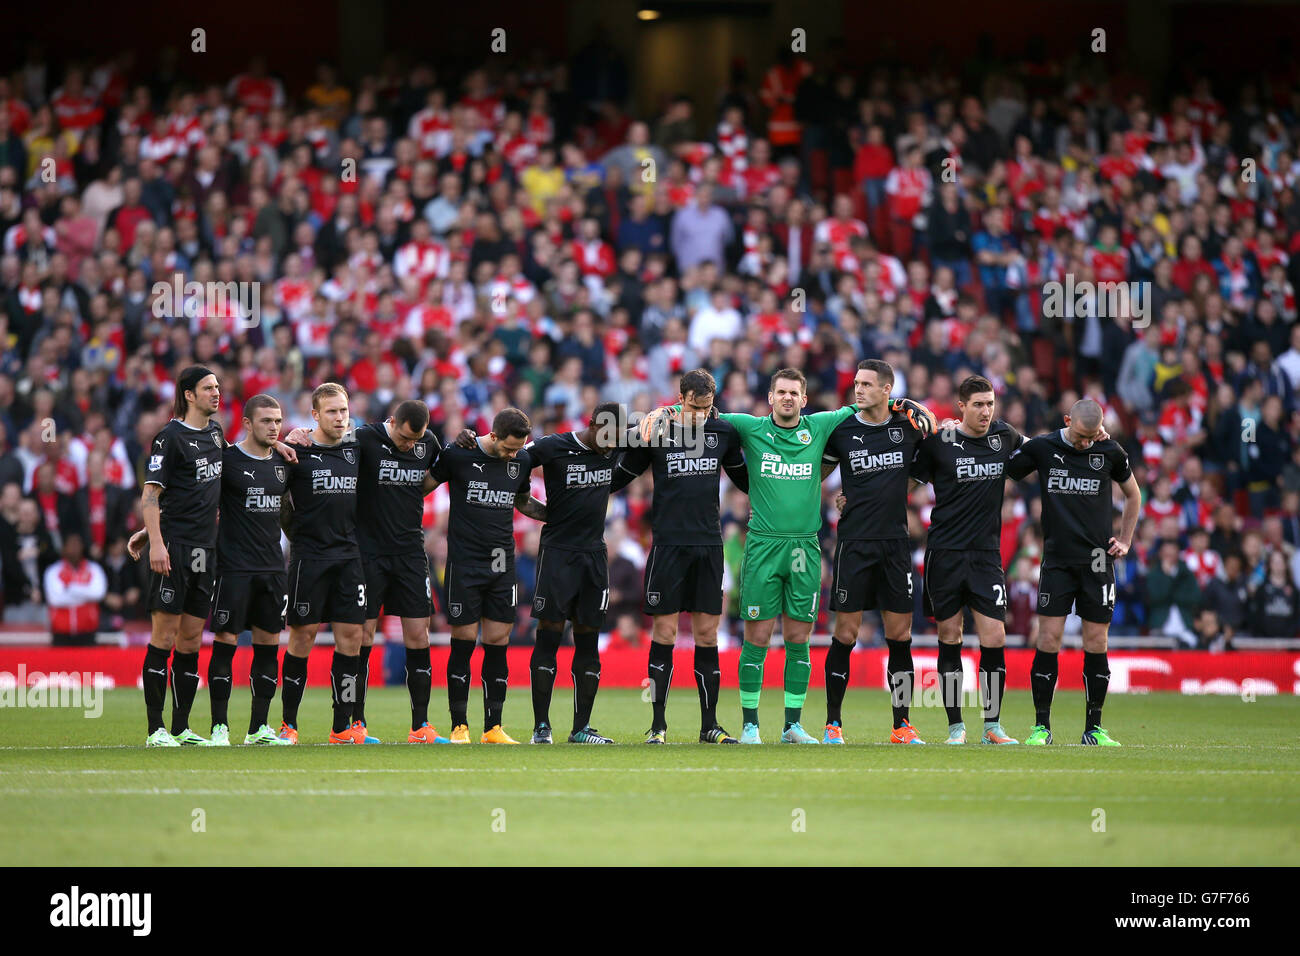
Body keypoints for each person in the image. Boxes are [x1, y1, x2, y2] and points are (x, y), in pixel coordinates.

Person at [641, 368, 934, 744]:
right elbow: (703, 411)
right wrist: (666, 411)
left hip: (805, 547)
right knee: (757, 637)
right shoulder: (747, 427)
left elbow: (869, 404)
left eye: (794, 392)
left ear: (805, 399)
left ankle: (792, 725)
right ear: (769, 397)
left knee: (799, 637)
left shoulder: (824, 424)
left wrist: (900, 402)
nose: (787, 398)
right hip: (763, 545)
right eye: (781, 392)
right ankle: (750, 725)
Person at [286, 398, 448, 743]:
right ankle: (355, 721)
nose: (408, 446)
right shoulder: (364, 439)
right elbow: (325, 442)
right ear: (392, 421)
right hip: (366, 553)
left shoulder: (428, 443)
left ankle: (421, 725)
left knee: (419, 635)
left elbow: (428, 480)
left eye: (414, 442)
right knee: (362, 636)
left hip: (409, 552)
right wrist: (300, 433)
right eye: (404, 439)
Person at [609, 369, 749, 744]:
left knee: (707, 635)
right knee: (665, 633)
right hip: (668, 545)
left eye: (707, 407)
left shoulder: (723, 432)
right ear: (681, 396)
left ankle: (710, 726)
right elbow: (619, 472)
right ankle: (658, 726)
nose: (702, 414)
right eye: (694, 406)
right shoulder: (656, 429)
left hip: (708, 545)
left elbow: (746, 479)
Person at [1005, 399, 1142, 746]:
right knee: (1048, 639)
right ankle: (1041, 728)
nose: (1086, 443)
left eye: (1092, 436)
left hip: (1098, 560)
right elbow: (1007, 469)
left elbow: (1133, 494)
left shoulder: (1110, 450)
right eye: (1081, 436)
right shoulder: (1043, 447)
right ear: (1067, 421)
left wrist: (1125, 540)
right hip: (1057, 560)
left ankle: (1094, 728)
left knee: (1096, 642)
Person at [908, 374, 1024, 745]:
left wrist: (1088, 436)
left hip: (986, 556)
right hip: (944, 554)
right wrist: (856, 498)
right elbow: (905, 481)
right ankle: (956, 727)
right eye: (978, 404)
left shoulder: (1004, 437)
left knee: (995, 636)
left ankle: (992, 726)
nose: (986, 411)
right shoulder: (940, 442)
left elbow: (1044, 451)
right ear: (961, 407)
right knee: (950, 636)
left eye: (990, 403)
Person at [821, 360, 933, 744]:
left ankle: (901, 725)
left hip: (895, 545)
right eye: (856, 383)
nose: (859, 390)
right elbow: (815, 472)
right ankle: (833, 723)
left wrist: (910, 405)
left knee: (899, 636)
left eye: (867, 384)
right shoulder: (842, 430)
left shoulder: (907, 426)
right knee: (846, 633)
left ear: (887, 389)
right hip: (854, 544)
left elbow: (933, 431)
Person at [430, 407, 542, 744]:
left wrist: (557, 517)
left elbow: (523, 501)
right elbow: (423, 484)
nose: (513, 454)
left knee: (498, 643)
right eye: (508, 448)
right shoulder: (457, 455)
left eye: (518, 449)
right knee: (463, 643)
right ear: (492, 436)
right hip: (464, 564)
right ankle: (459, 725)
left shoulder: (521, 461)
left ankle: (493, 726)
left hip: (501, 564)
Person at [520, 403, 624, 744]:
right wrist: (530, 506)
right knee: (549, 634)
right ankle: (541, 727)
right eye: (606, 436)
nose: (610, 445)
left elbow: (654, 440)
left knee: (588, 639)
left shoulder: (616, 445)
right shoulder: (552, 446)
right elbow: (515, 461)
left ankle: (581, 728)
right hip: (558, 555)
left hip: (594, 555)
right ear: (592, 425)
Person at [278, 383, 370, 744]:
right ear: (314, 415)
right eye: (331, 411)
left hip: (349, 558)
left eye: (344, 411)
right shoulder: (297, 452)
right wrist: (284, 438)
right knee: (303, 636)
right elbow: (280, 499)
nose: (339, 417)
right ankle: (288, 725)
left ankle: (341, 726)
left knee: (353, 638)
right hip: (309, 558)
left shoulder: (358, 449)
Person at [43, 532, 106, 646]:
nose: (74, 548)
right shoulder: (53, 571)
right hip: (61, 634)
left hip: (87, 633)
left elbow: (98, 594)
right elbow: (55, 600)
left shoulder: (94, 569)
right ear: (64, 548)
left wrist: (70, 588)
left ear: (82, 547)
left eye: (77, 544)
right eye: (71, 544)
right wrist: (86, 596)